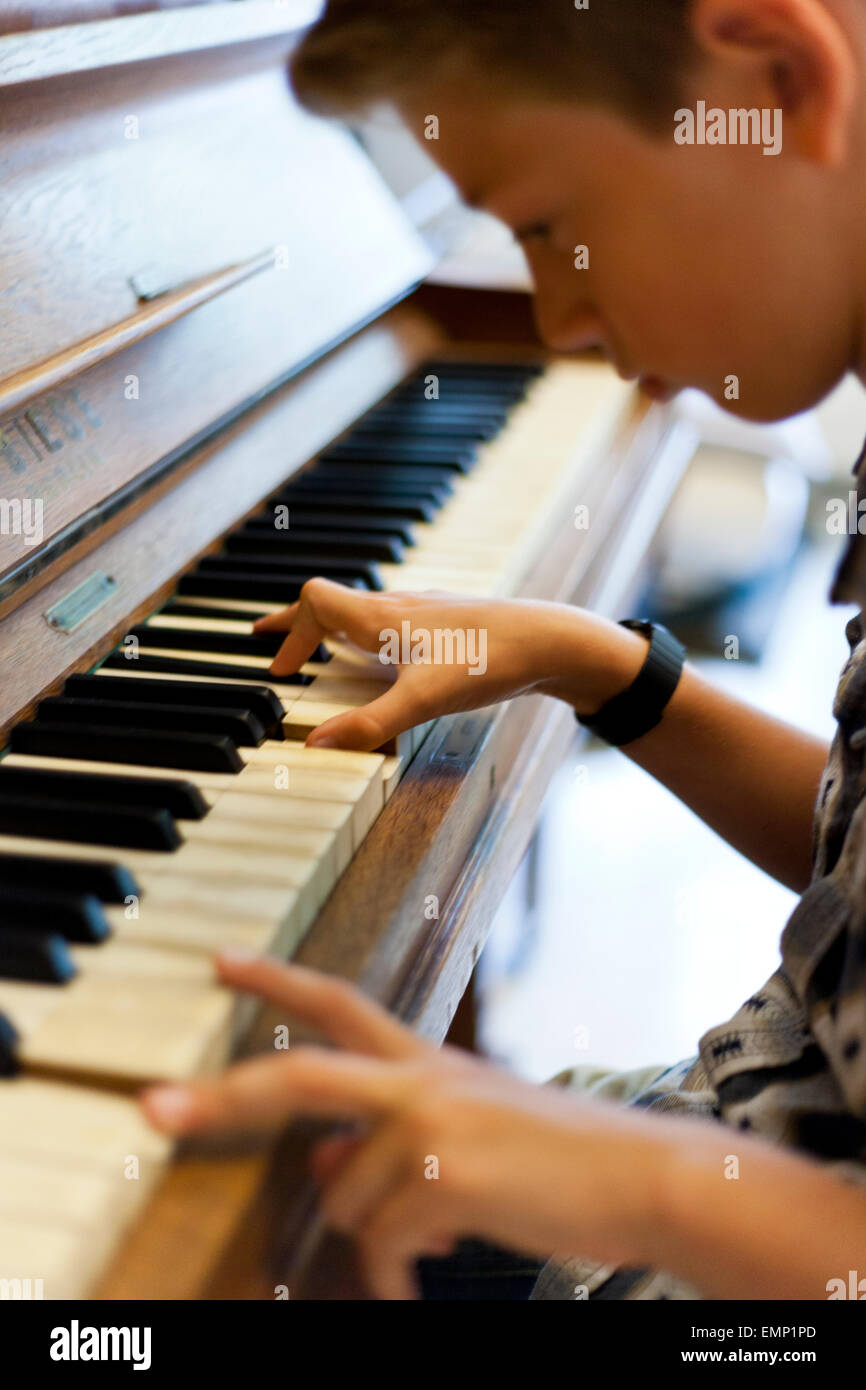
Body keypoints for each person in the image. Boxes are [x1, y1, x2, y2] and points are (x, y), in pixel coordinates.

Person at [143, 0, 866, 1300]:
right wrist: (592, 664)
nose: (556, 317)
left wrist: (615, 1176)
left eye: (543, 221)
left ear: (776, 76)